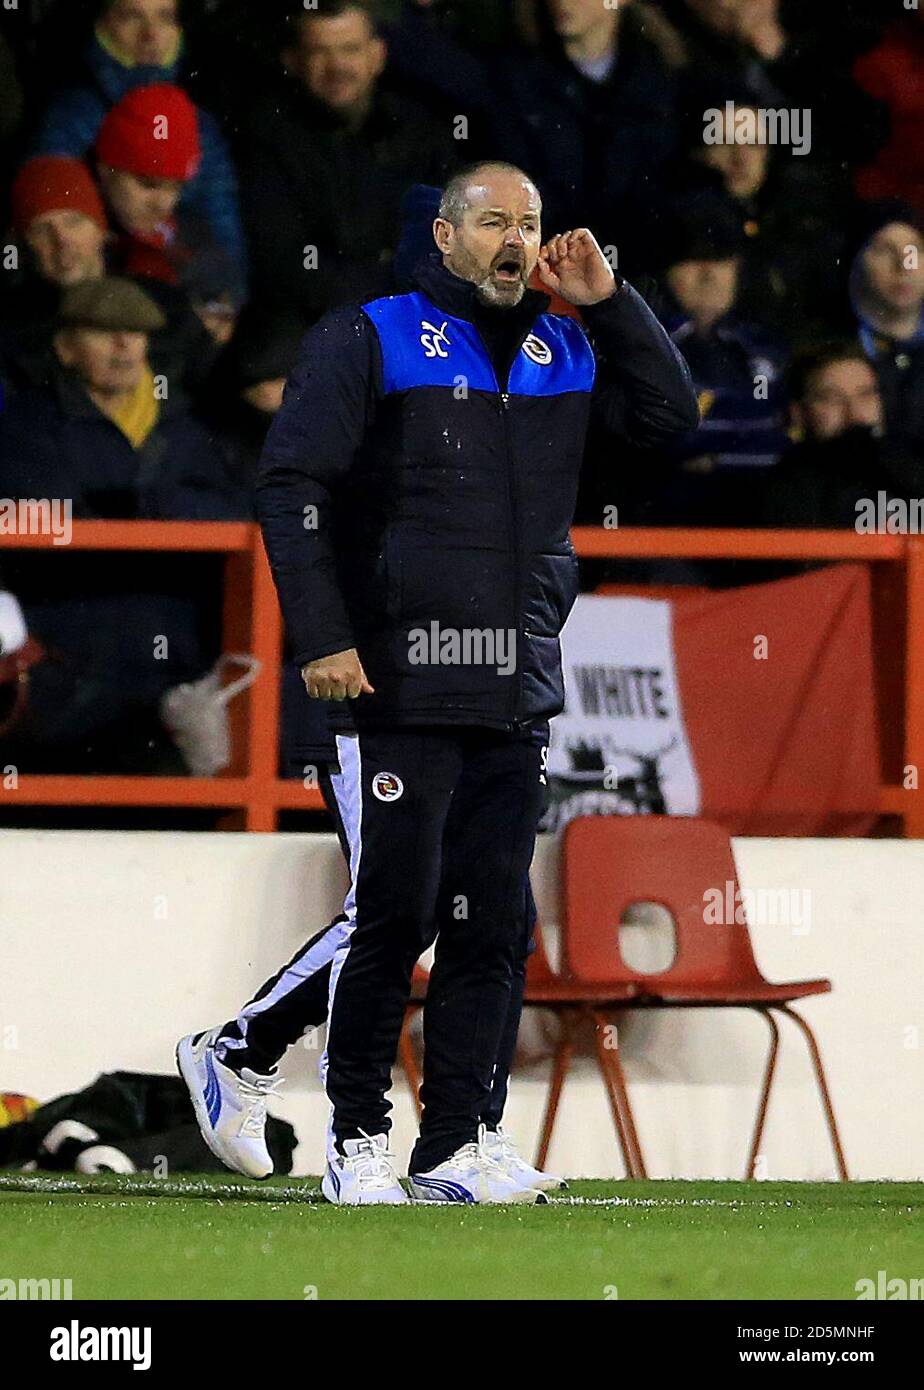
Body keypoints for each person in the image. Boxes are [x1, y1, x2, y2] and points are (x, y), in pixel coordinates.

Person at [178, 159, 698, 1205]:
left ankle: (458, 1145)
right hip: (391, 677)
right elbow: (292, 486)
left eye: (531, 222)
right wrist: (324, 635)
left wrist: (618, 302)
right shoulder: (369, 335)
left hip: (512, 679)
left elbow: (672, 421)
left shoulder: (566, 344)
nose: (517, 238)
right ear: (448, 238)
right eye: (494, 221)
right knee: (396, 913)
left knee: (493, 920)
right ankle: (357, 1137)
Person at [238, 0, 454, 328]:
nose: (337, 66)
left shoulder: (420, 131)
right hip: (309, 326)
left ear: (377, 55)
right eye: (319, 52)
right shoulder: (267, 138)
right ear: (293, 61)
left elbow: (449, 237)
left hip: (418, 319)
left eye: (350, 49)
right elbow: (283, 263)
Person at [29, 0, 246, 281]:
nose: (151, 35)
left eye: (165, 17)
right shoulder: (71, 118)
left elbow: (221, 221)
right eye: (131, 16)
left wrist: (222, 295)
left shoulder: (200, 124)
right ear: (100, 24)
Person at [850, 202, 924, 454]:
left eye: (914, 251)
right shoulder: (832, 348)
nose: (904, 266)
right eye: (884, 250)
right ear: (857, 259)